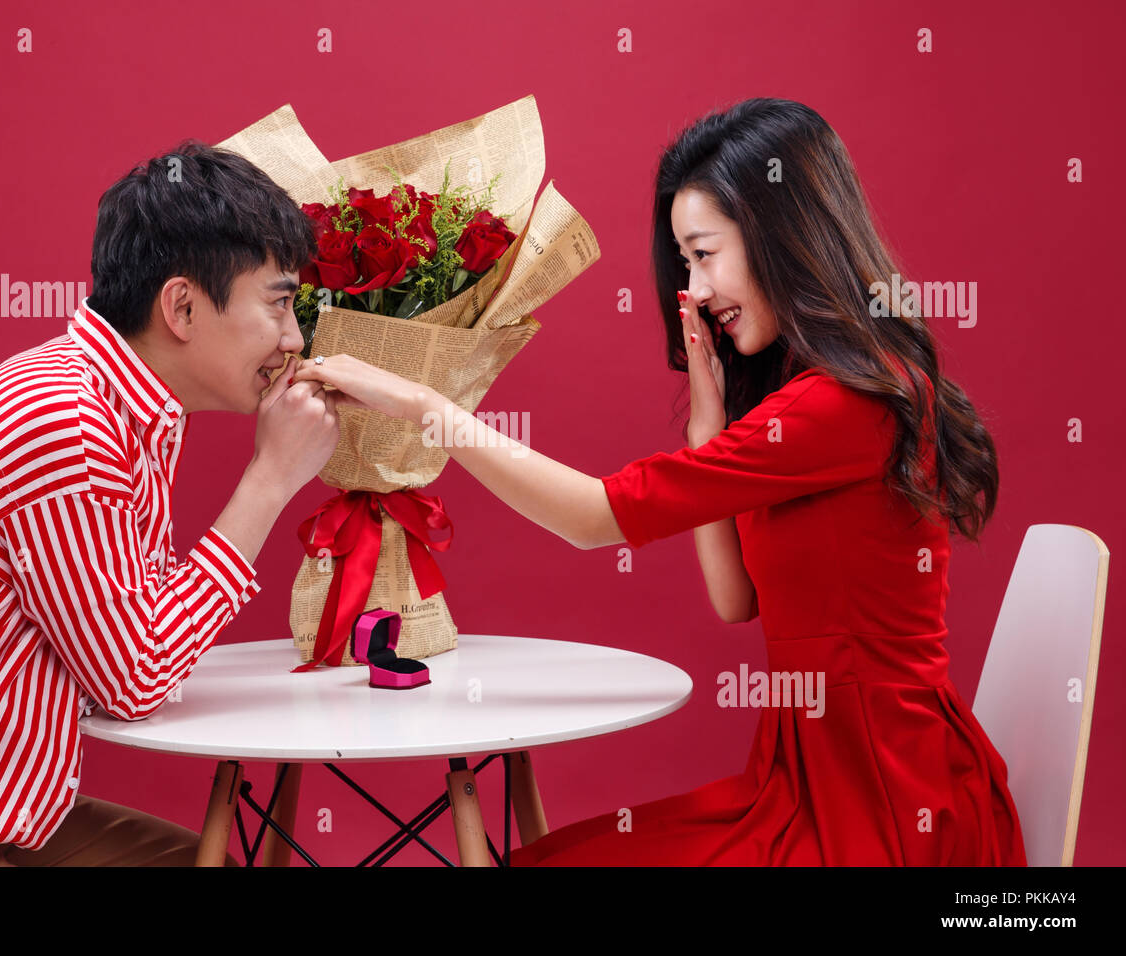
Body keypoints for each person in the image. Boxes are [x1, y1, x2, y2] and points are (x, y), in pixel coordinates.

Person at [292, 98, 1028, 866]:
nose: (698, 290)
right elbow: (735, 600)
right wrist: (708, 427)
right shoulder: (815, 398)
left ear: (784, 236)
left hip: (882, 808)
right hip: (806, 785)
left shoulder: (841, 404)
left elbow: (591, 518)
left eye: (706, 254)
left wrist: (422, 404)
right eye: (687, 263)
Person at [0, 142, 349, 866]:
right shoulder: (62, 421)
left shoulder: (128, 410)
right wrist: (270, 478)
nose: (295, 338)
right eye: (280, 302)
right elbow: (133, 680)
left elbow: (126, 642)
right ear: (183, 306)